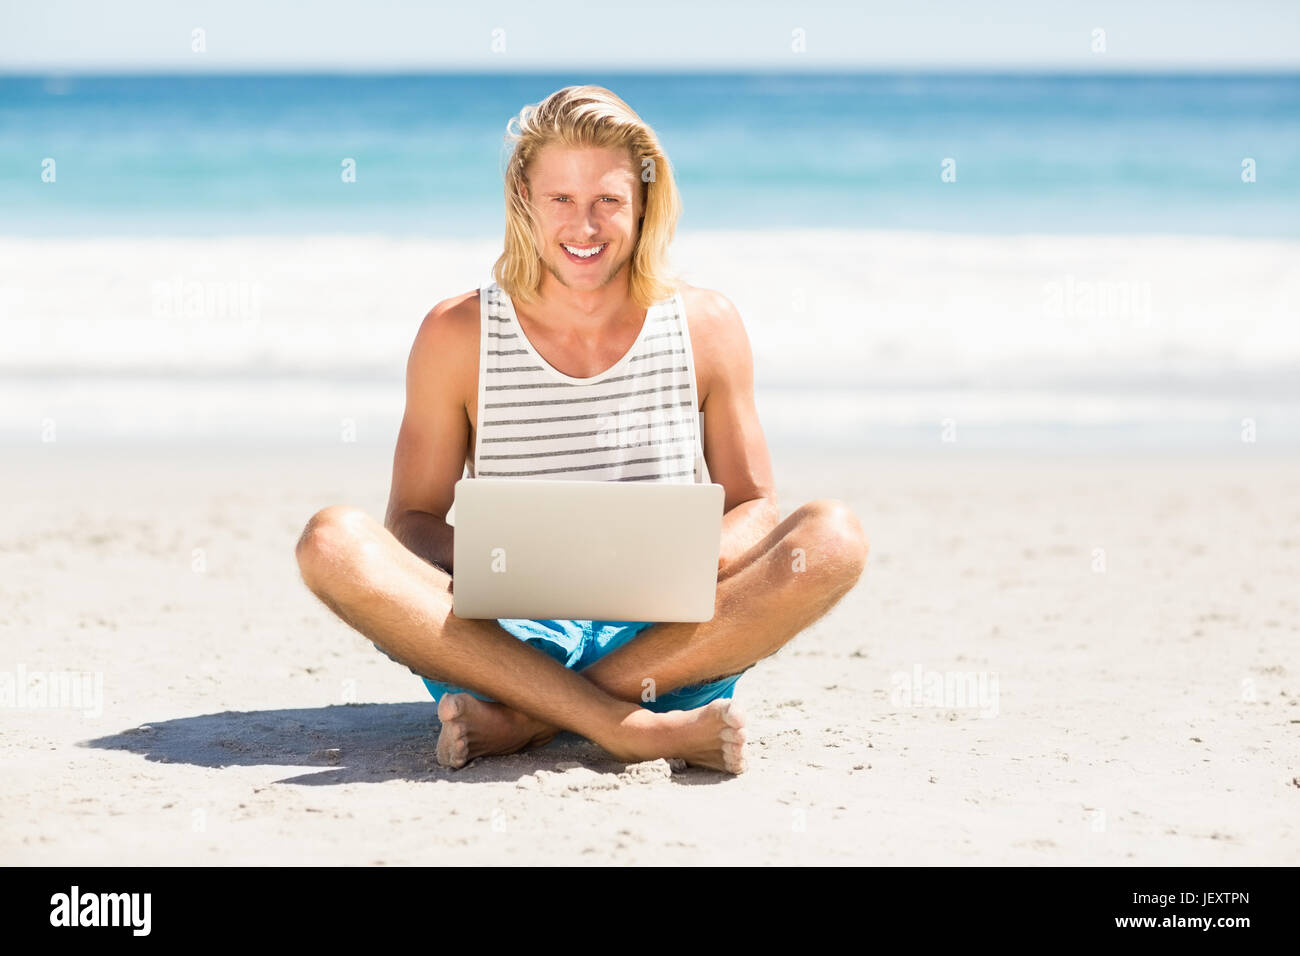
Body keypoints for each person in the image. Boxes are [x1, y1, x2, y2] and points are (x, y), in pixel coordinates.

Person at [295, 85, 868, 774]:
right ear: (525, 201)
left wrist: (684, 558)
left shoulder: (707, 324)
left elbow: (755, 505)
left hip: (668, 642)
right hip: (507, 639)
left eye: (608, 201)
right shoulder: (458, 333)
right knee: (331, 541)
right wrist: (512, 560)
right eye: (561, 199)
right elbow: (412, 522)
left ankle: (529, 719)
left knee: (833, 537)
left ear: (645, 204)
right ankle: (628, 728)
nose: (585, 226)